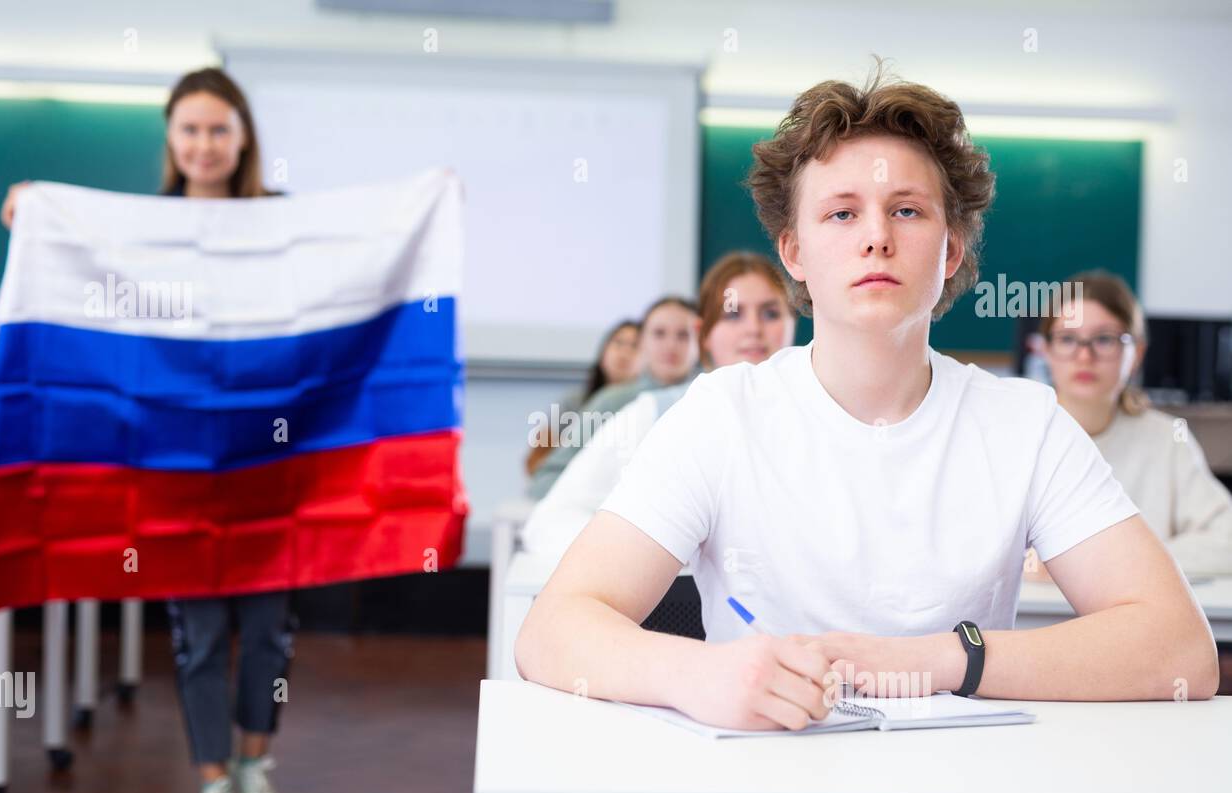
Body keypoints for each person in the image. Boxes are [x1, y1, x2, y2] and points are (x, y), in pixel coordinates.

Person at [515, 65, 1219, 730]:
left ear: (950, 250)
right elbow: (552, 630)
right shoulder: (721, 414)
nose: (877, 238)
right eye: (842, 214)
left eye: (907, 211)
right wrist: (697, 674)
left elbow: (1180, 650)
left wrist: (942, 658)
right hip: (764, 791)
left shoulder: (1025, 425)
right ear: (794, 251)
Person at [1, 67, 296, 793]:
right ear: (171, 139)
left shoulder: (284, 221)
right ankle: (208, 781)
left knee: (267, 630)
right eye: (190, 129)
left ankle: (253, 766)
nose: (204, 144)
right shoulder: (140, 224)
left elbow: (357, 268)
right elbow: (74, 250)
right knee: (198, 632)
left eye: (218, 129)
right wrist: (35, 210)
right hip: (178, 468)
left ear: (242, 138)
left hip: (271, 464)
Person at [521, 251, 795, 562]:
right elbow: (552, 518)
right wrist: (648, 561)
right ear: (703, 333)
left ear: (792, 321)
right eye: (733, 314)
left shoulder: (817, 413)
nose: (753, 329)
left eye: (771, 314)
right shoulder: (655, 412)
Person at [1028, 271, 1232, 579]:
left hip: (1137, 619)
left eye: (1105, 339)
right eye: (1068, 339)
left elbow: (1226, 542)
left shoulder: (1167, 438)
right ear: (1045, 349)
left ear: (1135, 353)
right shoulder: (1017, 434)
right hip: (1032, 621)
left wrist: (1119, 563)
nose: (1085, 355)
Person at [527, 296, 701, 499]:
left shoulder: (710, 403)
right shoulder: (610, 401)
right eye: (659, 333)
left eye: (683, 335)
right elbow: (546, 478)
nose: (671, 345)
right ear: (642, 341)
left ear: (703, 340)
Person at [525, 319, 640, 477]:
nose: (624, 353)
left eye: (635, 346)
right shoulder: (573, 401)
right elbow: (534, 461)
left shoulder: (645, 406)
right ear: (603, 350)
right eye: (618, 343)